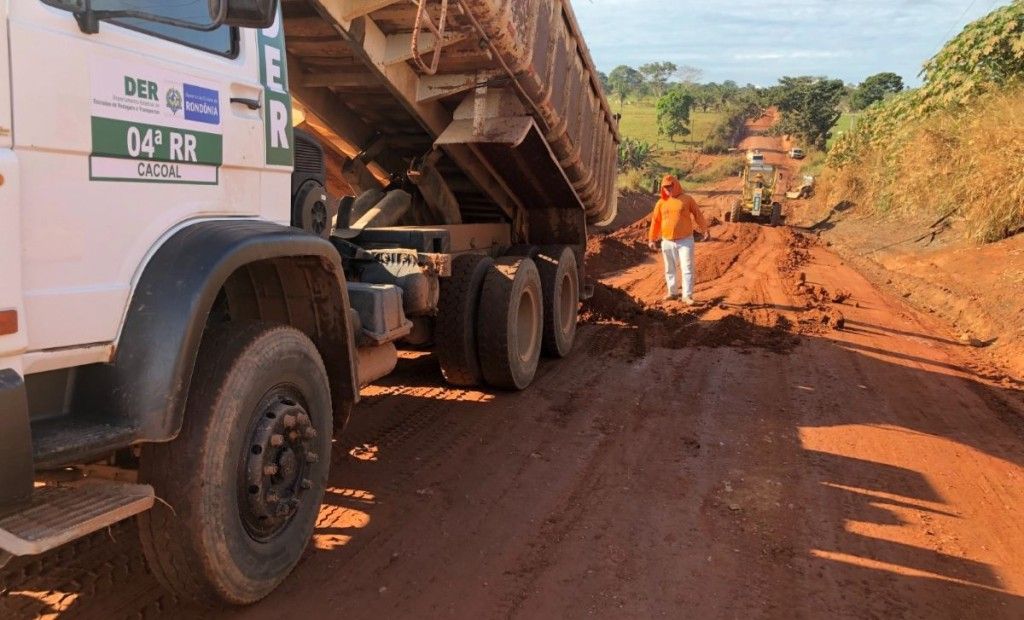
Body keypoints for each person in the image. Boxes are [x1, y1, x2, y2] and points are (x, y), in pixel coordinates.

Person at [648, 175, 710, 305]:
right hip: (667, 241)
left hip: (685, 240)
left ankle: (687, 296)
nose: (668, 189)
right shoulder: (661, 203)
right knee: (669, 268)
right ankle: (673, 292)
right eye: (665, 187)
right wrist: (652, 239)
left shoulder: (687, 199)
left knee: (687, 267)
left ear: (676, 185)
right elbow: (655, 221)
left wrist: (705, 229)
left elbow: (698, 214)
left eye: (670, 186)